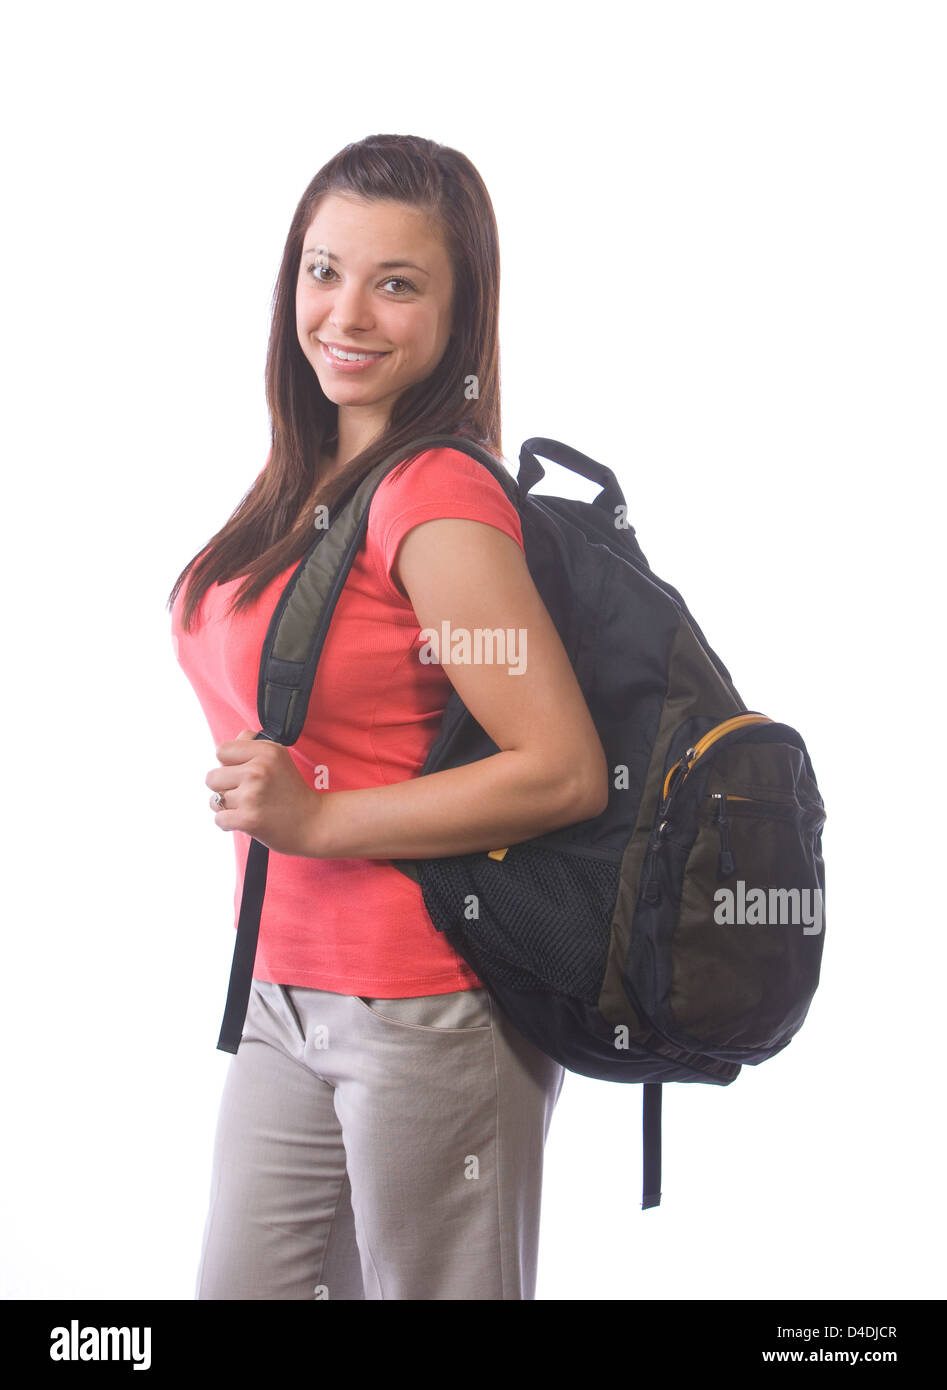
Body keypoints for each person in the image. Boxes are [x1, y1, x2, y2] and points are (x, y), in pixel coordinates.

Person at [167, 133, 608, 1301]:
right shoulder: (306, 478)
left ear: (456, 315)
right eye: (322, 270)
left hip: (425, 1010)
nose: (344, 313)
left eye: (395, 282)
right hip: (279, 991)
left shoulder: (432, 500)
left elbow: (558, 768)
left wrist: (315, 819)